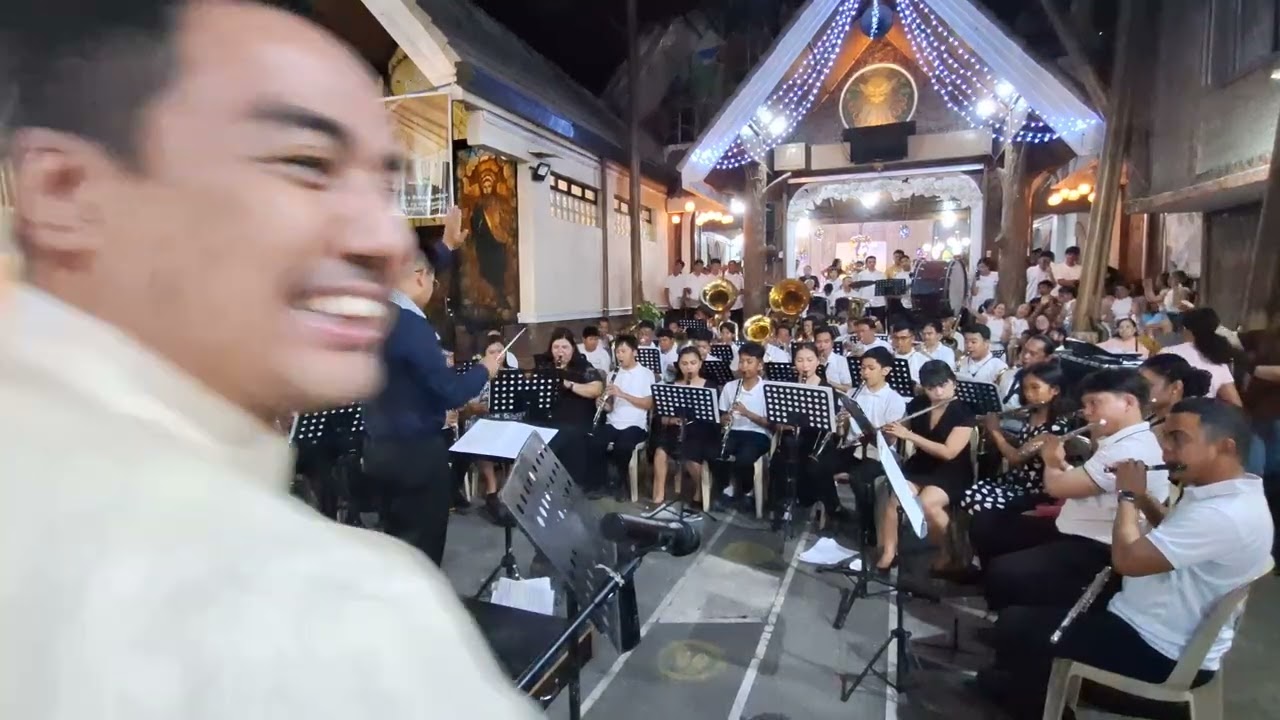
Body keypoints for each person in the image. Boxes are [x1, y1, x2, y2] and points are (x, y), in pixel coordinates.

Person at [0, 1, 540, 717]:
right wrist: (481, 372)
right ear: (68, 191)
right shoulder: (346, 622)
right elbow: (445, 385)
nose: (383, 239)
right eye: (305, 163)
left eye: (381, 185)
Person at [979, 399, 1273, 717]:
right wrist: (1145, 496)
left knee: (1014, 626)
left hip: (1157, 648)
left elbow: (1127, 560)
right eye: (1166, 437)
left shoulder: (1223, 514)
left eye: (1179, 439)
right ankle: (1023, 680)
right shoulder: (1228, 492)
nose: (1166, 451)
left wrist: (1128, 497)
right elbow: (1174, 530)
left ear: (1225, 447)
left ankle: (1044, 705)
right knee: (1035, 596)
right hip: (1155, 619)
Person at [982, 369, 1169, 612]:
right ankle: (1005, 605)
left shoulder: (1129, 448)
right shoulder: (1119, 439)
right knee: (989, 526)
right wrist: (1062, 463)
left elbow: (1057, 486)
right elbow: (1089, 481)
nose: (1088, 412)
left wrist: (1050, 461)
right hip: (1078, 524)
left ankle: (1018, 617)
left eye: (1095, 403)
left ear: (1128, 402)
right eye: (1086, 405)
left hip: (1097, 544)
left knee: (1004, 569)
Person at [365, 245, 498, 564]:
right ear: (421, 278)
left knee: (395, 545)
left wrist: (446, 245)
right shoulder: (413, 325)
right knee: (423, 550)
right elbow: (450, 391)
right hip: (416, 454)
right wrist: (485, 369)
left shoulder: (377, 317)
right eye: (435, 283)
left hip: (377, 448)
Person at [964, 361, 1076, 568]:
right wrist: (1000, 434)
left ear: (1054, 391)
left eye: (1035, 388)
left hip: (1036, 488)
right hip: (1018, 479)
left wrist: (996, 432)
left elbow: (1016, 457)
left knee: (979, 501)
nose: (1029, 394)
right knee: (974, 492)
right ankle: (980, 556)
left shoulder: (1055, 427)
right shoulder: (1032, 414)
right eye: (1025, 388)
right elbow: (1024, 445)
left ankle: (985, 558)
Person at [877, 361, 977, 572]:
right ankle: (889, 551)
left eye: (944, 385)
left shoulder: (964, 412)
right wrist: (884, 433)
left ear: (954, 383)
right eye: (932, 388)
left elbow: (949, 452)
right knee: (896, 499)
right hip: (922, 465)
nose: (939, 392)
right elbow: (899, 432)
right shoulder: (918, 404)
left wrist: (910, 435)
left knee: (926, 504)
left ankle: (949, 552)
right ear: (924, 387)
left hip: (952, 470)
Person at [771, 343, 845, 526]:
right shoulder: (787, 386)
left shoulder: (827, 389)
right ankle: (782, 505)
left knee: (815, 466)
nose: (805, 365)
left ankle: (826, 505)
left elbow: (833, 427)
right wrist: (783, 425)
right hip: (793, 438)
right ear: (794, 362)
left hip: (818, 440)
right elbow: (777, 419)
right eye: (800, 360)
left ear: (818, 362)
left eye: (810, 360)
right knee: (778, 462)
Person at [586, 335, 654, 498]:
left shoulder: (646, 374)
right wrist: (602, 404)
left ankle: (620, 483)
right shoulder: (612, 375)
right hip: (613, 422)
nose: (620, 356)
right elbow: (611, 407)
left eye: (623, 351)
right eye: (617, 352)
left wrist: (622, 394)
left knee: (623, 447)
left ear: (634, 352)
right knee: (595, 442)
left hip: (635, 424)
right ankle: (600, 483)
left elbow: (648, 404)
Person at [650, 347, 719, 506]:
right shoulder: (672, 385)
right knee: (660, 451)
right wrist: (671, 420)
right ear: (679, 365)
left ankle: (701, 491)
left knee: (691, 455)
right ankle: (658, 496)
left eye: (693, 363)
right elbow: (661, 416)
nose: (689, 367)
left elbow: (714, 419)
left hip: (702, 431)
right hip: (677, 429)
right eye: (685, 363)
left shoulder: (710, 386)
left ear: (700, 364)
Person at [714, 342, 772, 507]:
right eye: (741, 361)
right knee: (715, 453)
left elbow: (771, 424)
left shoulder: (767, 389)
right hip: (733, 431)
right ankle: (728, 487)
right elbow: (722, 414)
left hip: (758, 433)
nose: (744, 366)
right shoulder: (730, 387)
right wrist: (724, 419)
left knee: (745, 457)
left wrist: (747, 413)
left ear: (759, 365)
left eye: (749, 362)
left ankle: (747, 490)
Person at [1158, 307, 1242, 406]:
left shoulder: (1167, 352)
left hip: (1170, 416)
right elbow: (1235, 404)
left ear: (1185, 329)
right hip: (1205, 417)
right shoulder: (1218, 359)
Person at [889, 322, 927, 391]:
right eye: (896, 338)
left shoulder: (922, 359)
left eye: (903, 338)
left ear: (912, 338)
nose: (899, 342)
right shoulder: (888, 357)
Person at [814, 325, 853, 392]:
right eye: (819, 342)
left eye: (826, 342)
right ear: (814, 343)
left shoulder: (840, 360)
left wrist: (828, 382)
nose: (822, 345)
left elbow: (848, 388)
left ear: (832, 343)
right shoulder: (811, 360)